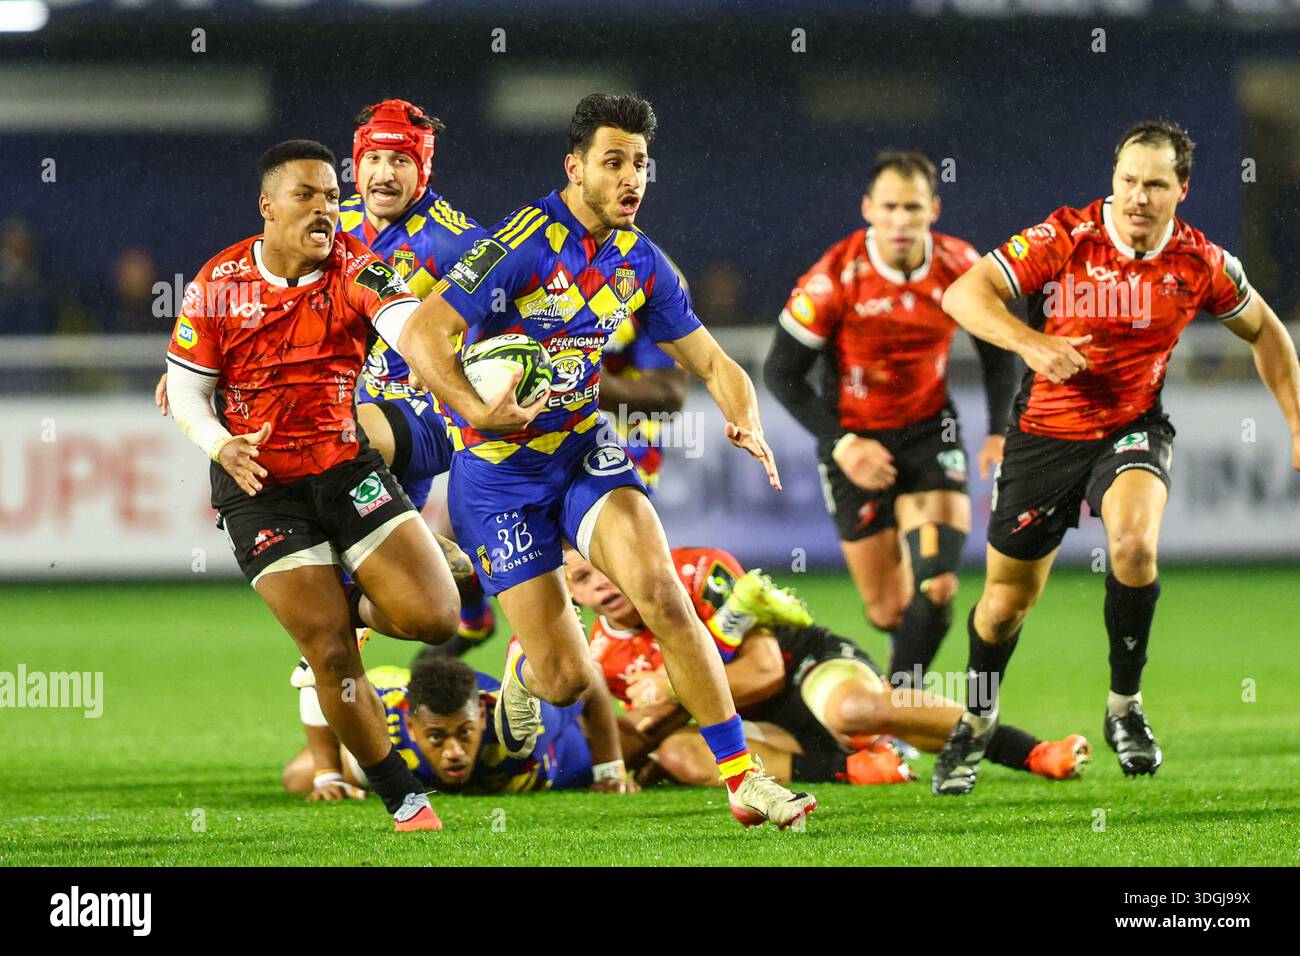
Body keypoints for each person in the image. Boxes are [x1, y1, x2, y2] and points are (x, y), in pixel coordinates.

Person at [394, 93, 816, 829]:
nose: (631, 179)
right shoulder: (521, 242)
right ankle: (527, 675)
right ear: (575, 167)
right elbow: (427, 334)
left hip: (585, 449)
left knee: (662, 593)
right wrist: (474, 407)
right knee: (563, 680)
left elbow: (713, 362)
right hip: (496, 480)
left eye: (641, 165)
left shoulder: (641, 258)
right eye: (614, 162)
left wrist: (743, 415)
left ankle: (743, 780)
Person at [933, 120, 1300, 794]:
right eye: (1128, 180)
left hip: (1131, 427)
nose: (1138, 195)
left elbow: (1269, 334)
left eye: (1155, 184)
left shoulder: (1202, 263)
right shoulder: (1064, 236)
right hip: (1044, 432)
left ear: (1181, 190)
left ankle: (1124, 707)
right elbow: (964, 293)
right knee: (1004, 606)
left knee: (1133, 546)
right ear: (1114, 179)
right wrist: (1030, 343)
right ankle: (978, 719)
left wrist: (1298, 422)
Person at [164, 139, 463, 831]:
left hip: (345, 466)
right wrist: (221, 444)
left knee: (438, 618)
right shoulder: (219, 282)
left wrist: (438, 367)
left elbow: (405, 325)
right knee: (329, 653)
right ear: (268, 207)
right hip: (259, 483)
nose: (326, 208)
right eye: (308, 195)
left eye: (332, 195)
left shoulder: (359, 267)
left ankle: (353, 605)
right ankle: (402, 796)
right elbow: (185, 393)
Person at [764, 151, 1017, 689]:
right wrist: (842, 444)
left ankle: (899, 707)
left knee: (939, 586)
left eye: (913, 207)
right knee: (888, 610)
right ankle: (900, 694)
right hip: (854, 441)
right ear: (868, 210)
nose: (901, 220)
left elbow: (1000, 353)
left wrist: (998, 428)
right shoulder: (834, 279)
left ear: (934, 209)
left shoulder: (959, 267)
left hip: (931, 434)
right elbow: (781, 373)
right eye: (889, 207)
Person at [567, 546, 1090, 787]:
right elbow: (642, 735)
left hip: (803, 672)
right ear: (571, 592)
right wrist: (620, 760)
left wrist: (674, 688)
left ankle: (1032, 751)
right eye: (583, 582)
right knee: (680, 754)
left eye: (604, 569)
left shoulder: (696, 571)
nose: (603, 587)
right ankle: (854, 769)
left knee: (854, 711)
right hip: (761, 725)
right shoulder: (603, 654)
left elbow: (764, 673)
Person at [283, 650, 636, 797]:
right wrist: (328, 777)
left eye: (464, 733)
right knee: (299, 776)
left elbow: (591, 679)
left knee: (646, 744)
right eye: (436, 737)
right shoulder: (386, 715)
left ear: (482, 718)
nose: (454, 752)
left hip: (560, 757)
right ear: (411, 725)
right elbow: (317, 679)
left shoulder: (521, 728)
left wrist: (609, 770)